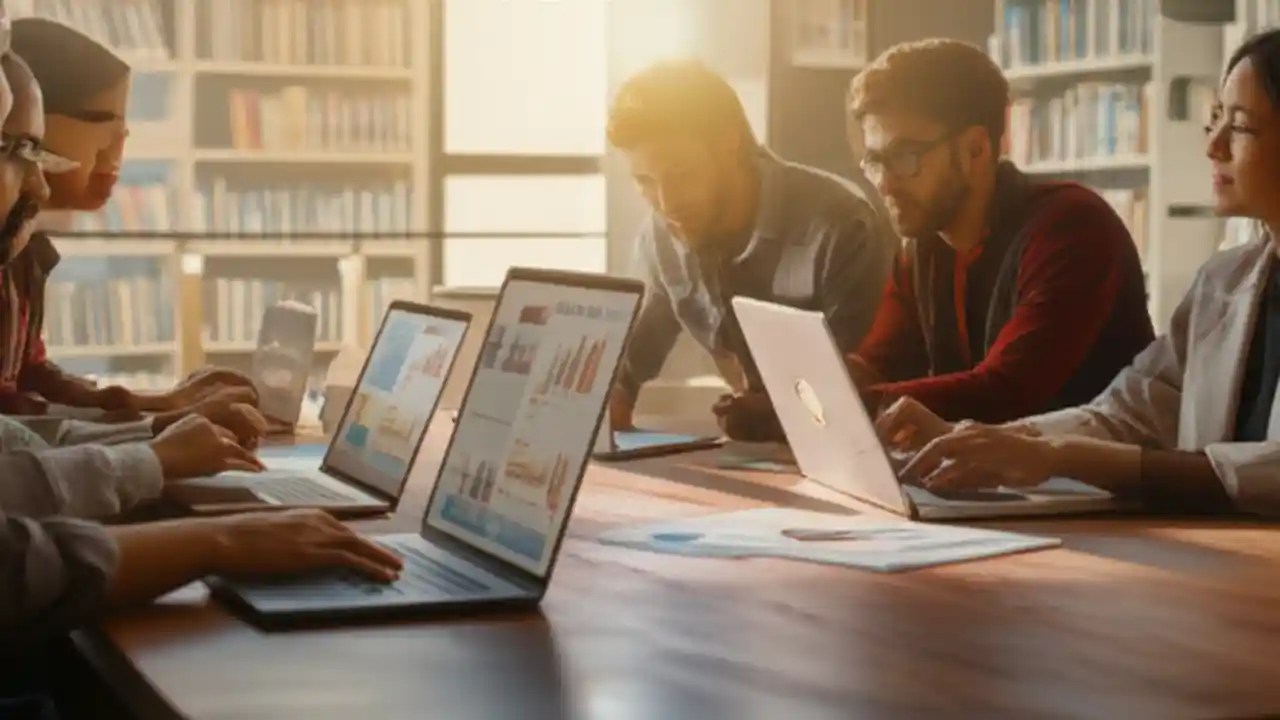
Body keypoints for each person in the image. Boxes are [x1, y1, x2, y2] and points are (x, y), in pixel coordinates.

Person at [876, 30, 1280, 513]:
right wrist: (989, 440)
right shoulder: (1226, 280)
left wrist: (1059, 456)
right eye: (1214, 119)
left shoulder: (1069, 224)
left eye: (1240, 126)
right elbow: (1128, 412)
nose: (1213, 146)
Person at [715, 39, 1156, 441]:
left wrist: (818, 406)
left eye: (905, 157)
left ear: (976, 150)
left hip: (1099, 496)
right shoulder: (924, 246)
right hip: (998, 486)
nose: (884, 183)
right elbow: (876, 364)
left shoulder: (1072, 229)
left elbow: (1004, 392)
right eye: (874, 160)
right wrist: (794, 388)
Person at [605, 60, 896, 432]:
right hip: (756, 452)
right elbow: (628, 362)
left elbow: (864, 387)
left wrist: (770, 413)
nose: (667, 203)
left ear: (729, 142)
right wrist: (611, 397)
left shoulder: (841, 225)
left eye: (682, 175)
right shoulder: (663, 232)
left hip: (858, 447)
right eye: (644, 180)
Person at [0, 16, 253, 419]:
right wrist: (150, 433)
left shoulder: (26, 251)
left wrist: (138, 406)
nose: (118, 149)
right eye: (105, 126)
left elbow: (29, 376)